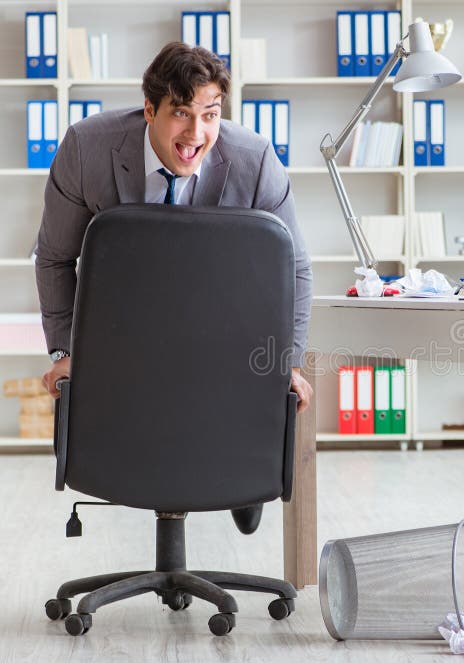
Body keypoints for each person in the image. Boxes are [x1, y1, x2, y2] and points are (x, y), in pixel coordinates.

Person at [34, 42, 313, 534]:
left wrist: (284, 364)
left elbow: (295, 267)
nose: (196, 133)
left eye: (210, 114)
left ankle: (233, 476)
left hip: (221, 339)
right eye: (181, 113)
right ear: (149, 110)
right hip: (124, 338)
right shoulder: (87, 149)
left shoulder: (254, 159)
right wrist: (67, 349)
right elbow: (56, 257)